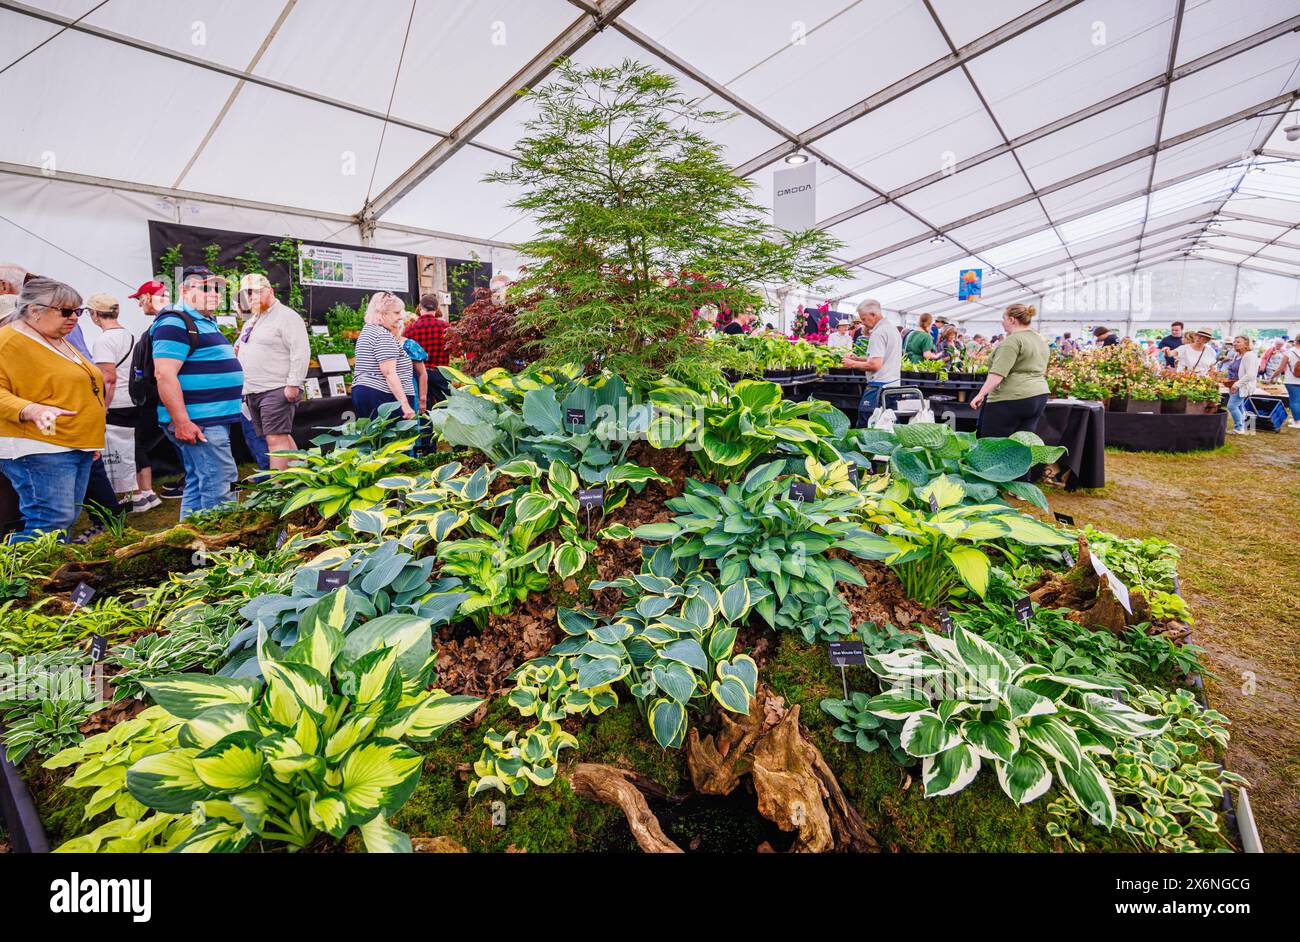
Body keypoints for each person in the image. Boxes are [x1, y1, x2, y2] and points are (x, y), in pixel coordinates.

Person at [0, 277, 105, 541]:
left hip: (73, 443)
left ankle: (52, 577)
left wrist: (89, 440)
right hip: (38, 445)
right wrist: (29, 409)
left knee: (64, 517)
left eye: (78, 311)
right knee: (50, 518)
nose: (74, 318)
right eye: (66, 311)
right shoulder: (9, 341)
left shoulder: (55, 338)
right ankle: (19, 580)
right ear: (35, 310)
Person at [152, 267, 244, 518]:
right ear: (183, 290)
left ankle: (192, 545)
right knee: (222, 482)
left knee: (197, 481)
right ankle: (222, 549)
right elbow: (164, 374)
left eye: (217, 288)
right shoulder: (174, 321)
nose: (214, 294)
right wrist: (181, 421)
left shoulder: (202, 320)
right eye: (205, 288)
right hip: (198, 422)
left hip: (207, 420)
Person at [233, 274, 309, 471]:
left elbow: (300, 351)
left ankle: (277, 491)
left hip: (276, 388)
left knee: (275, 440)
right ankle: (302, 476)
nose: (252, 297)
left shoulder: (287, 316)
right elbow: (243, 344)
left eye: (256, 291)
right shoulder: (253, 319)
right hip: (254, 390)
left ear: (270, 291)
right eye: (247, 293)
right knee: (279, 436)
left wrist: (293, 384)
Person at [127, 280, 177, 510]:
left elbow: (162, 370)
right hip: (161, 399)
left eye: (139, 299)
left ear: (148, 297)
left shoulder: (168, 323)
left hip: (165, 399)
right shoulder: (163, 323)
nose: (139, 305)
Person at [970, 303, 1050, 438]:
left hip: (1012, 397)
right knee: (1023, 445)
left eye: (1004, 318)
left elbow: (998, 373)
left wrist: (980, 394)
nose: (1003, 323)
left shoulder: (1012, 341)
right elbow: (1044, 369)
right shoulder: (1040, 340)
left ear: (1012, 320)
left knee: (993, 444)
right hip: (1038, 396)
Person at [88, 293, 137, 495]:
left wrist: (103, 407)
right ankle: (144, 494)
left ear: (95, 315)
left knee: (120, 453)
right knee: (135, 450)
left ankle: (130, 496)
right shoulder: (130, 335)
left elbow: (108, 378)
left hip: (116, 402)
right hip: (132, 399)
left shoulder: (103, 341)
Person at [351, 292, 416, 420]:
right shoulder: (382, 335)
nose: (400, 317)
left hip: (370, 392)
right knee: (391, 439)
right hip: (383, 397)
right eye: (396, 313)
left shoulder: (368, 330)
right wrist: (405, 405)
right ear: (382, 313)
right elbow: (389, 373)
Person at [843, 299, 901, 425]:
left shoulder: (878, 333)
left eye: (863, 319)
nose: (862, 323)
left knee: (866, 427)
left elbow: (875, 364)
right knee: (888, 428)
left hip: (879, 388)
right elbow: (883, 358)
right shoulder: (892, 329)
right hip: (893, 386)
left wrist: (852, 364)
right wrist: (858, 359)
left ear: (873, 315)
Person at [403, 294, 449, 403]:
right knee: (445, 407)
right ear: (437, 308)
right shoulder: (446, 328)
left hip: (419, 375)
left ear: (419, 307)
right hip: (441, 373)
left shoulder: (410, 329)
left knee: (423, 411)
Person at [1223, 335, 1258, 434]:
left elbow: (1250, 375)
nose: (1235, 343)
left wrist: (1236, 385)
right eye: (1234, 341)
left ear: (1246, 344)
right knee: (1239, 406)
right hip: (1233, 384)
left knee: (1231, 406)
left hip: (1241, 385)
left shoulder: (1249, 356)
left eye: (1238, 342)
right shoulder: (1237, 355)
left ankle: (1239, 428)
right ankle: (1244, 426)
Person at [1268, 339, 1300, 429]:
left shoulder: (1290, 352)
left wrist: (1271, 378)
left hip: (1291, 380)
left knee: (1294, 401)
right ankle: (1296, 419)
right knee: (1298, 400)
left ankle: (1298, 422)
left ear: (1296, 341)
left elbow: (1281, 368)